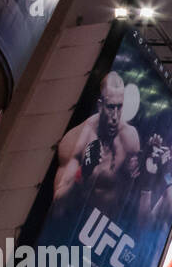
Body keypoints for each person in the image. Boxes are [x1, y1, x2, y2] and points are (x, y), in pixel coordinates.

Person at [53, 72, 142, 218]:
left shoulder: (130, 138)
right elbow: (58, 205)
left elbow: (131, 197)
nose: (115, 116)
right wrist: (84, 172)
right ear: (100, 106)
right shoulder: (77, 140)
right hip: (74, 225)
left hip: (111, 228)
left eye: (119, 107)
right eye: (110, 107)